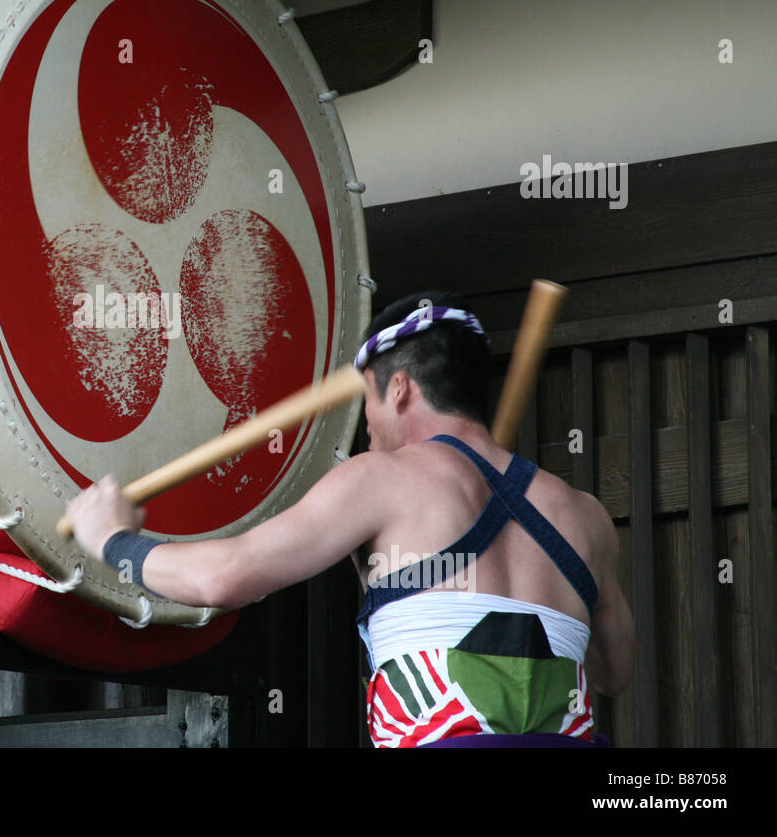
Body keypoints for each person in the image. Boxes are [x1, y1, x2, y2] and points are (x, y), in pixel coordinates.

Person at [67, 290, 635, 747]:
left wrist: (115, 542)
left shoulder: (380, 478)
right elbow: (613, 673)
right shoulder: (584, 517)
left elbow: (223, 578)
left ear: (400, 387)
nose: (367, 426)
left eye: (368, 401)